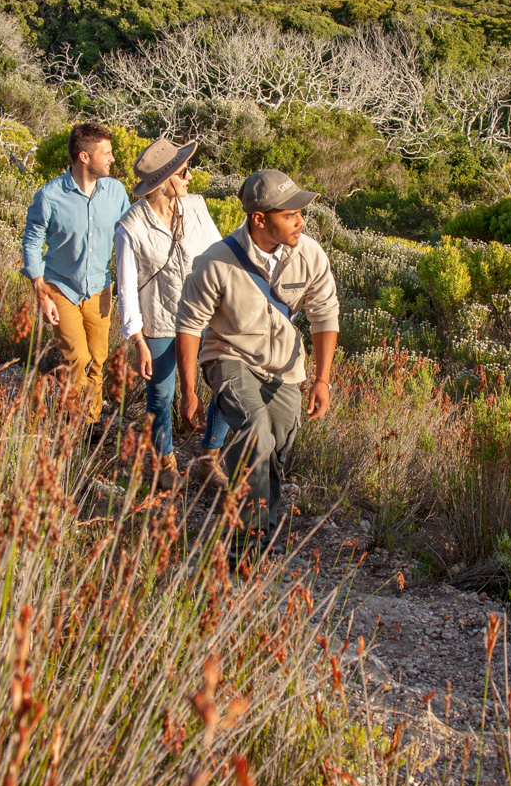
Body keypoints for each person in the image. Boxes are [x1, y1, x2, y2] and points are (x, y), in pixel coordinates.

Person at [174, 169, 339, 543]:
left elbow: (325, 314)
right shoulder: (215, 262)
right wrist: (189, 391)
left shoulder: (310, 254)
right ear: (259, 219)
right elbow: (188, 326)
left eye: (300, 213)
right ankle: (244, 545)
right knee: (255, 434)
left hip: (284, 368)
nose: (300, 222)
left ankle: (259, 529)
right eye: (290, 215)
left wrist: (322, 379)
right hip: (228, 357)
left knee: (275, 451)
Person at [115, 137, 229, 461]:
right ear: (164, 181)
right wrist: (138, 342)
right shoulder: (130, 228)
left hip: (202, 315)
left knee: (227, 382)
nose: (189, 177)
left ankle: (209, 458)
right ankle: (164, 463)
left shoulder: (196, 207)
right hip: (159, 321)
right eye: (183, 172)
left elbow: (220, 254)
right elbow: (126, 288)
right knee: (161, 395)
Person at [21, 122, 129, 425]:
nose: (112, 159)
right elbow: (31, 242)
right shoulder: (50, 196)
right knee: (77, 358)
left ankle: (88, 423)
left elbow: (129, 234)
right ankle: (75, 421)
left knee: (97, 359)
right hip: (60, 287)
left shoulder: (116, 192)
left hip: (99, 288)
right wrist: (41, 292)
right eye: (106, 153)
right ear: (84, 157)